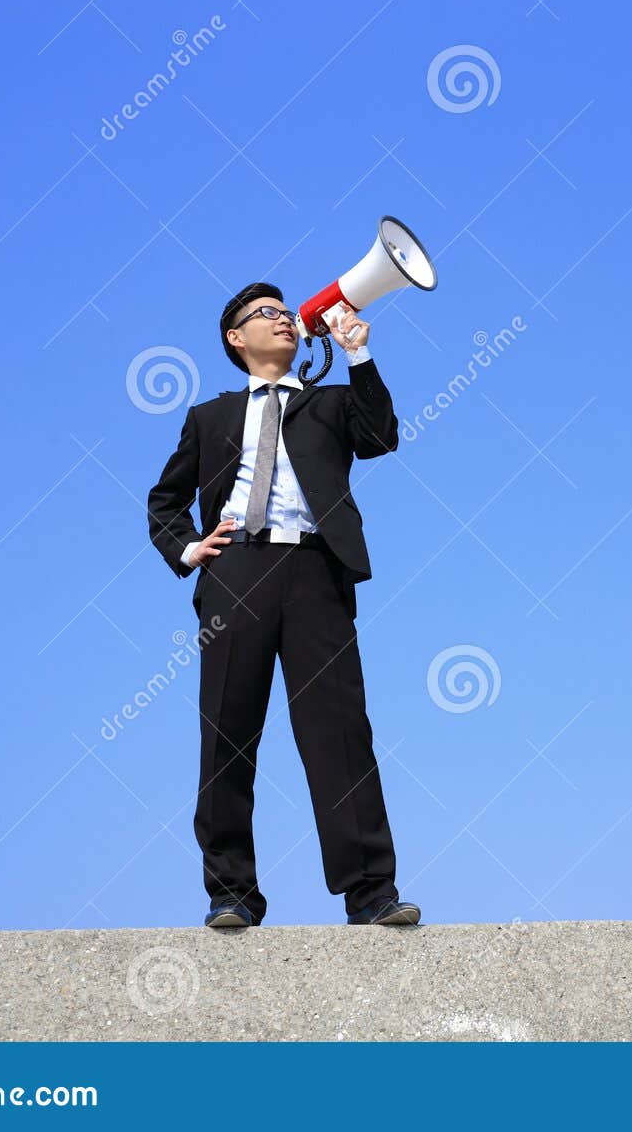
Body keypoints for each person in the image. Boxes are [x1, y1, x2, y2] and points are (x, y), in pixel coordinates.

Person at [146, 282, 418, 928]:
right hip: (236, 569)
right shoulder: (210, 417)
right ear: (236, 338)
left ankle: (371, 892)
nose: (283, 319)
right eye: (265, 314)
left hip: (316, 569)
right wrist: (189, 548)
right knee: (228, 731)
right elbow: (165, 499)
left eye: (285, 311)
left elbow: (381, 436)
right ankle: (231, 893)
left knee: (339, 730)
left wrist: (357, 355)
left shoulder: (329, 402)